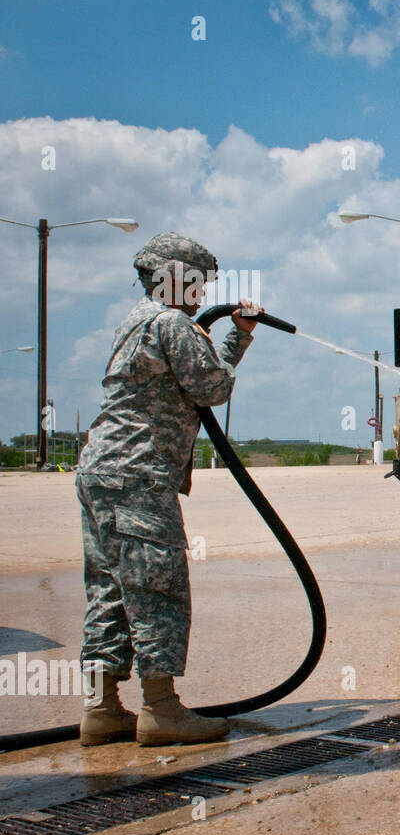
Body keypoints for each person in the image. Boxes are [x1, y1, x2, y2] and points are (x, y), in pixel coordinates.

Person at [76, 233, 261, 746]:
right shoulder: (173, 324)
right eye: (198, 282)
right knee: (158, 588)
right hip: (137, 476)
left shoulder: (136, 319)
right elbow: (212, 388)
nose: (204, 293)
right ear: (177, 277)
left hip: (100, 472)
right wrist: (240, 337)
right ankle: (160, 710)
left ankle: (102, 708)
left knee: (109, 591)